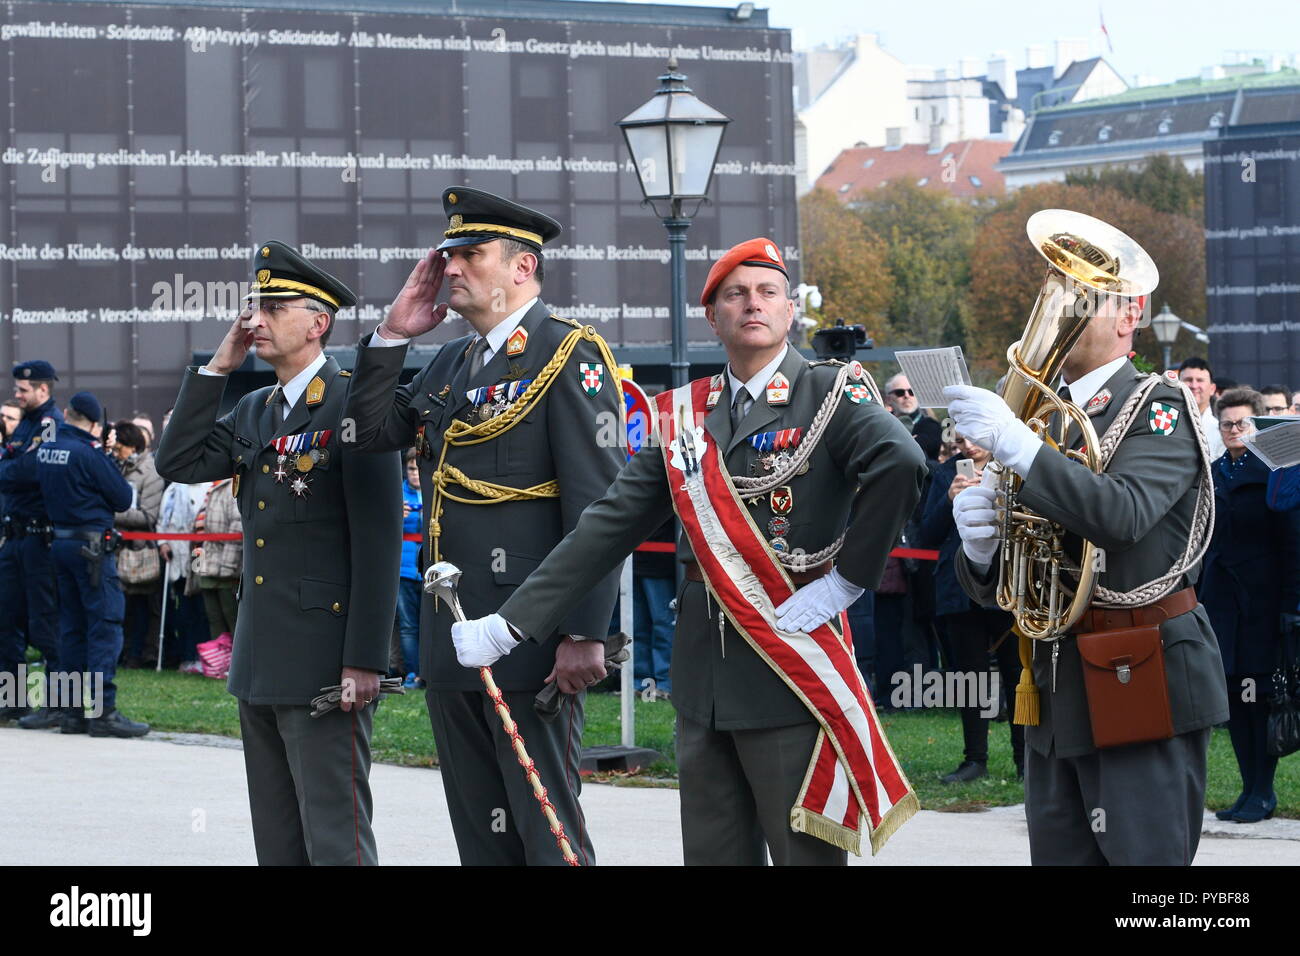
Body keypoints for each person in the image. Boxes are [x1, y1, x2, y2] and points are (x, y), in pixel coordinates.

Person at [452, 237, 928, 865]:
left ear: (790, 312)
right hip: (703, 682)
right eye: (734, 295)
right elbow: (608, 524)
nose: (751, 305)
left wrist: (847, 580)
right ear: (713, 316)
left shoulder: (832, 391)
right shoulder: (683, 413)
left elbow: (902, 460)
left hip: (791, 671)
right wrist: (513, 624)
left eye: (766, 293)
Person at [343, 187, 624, 866]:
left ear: (522, 267)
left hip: (527, 635)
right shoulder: (450, 361)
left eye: (470, 254)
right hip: (453, 638)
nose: (452, 268)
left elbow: (599, 508)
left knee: (545, 827)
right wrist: (391, 336)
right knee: (482, 832)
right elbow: (370, 432)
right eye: (449, 254)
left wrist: (588, 632)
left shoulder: (569, 354)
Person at [947, 290, 1229, 865]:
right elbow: (1018, 579)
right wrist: (981, 548)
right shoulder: (1045, 420)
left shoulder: (1160, 403)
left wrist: (1017, 445)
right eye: (1056, 303)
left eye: (1084, 305)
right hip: (1058, 676)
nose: (1061, 320)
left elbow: (1123, 515)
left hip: (1140, 667)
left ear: (1131, 316)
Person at [156, 241, 402, 866]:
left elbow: (377, 540)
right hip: (261, 653)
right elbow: (179, 462)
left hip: (326, 657)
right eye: (252, 307)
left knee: (334, 835)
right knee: (277, 836)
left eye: (273, 307)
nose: (255, 320)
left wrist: (366, 659)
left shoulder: (354, 402)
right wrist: (218, 365)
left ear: (318, 323)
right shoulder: (255, 407)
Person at [17, 391, 148, 736]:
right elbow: (121, 499)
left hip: (59, 544)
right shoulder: (88, 453)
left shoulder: (46, 450)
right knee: (104, 624)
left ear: (66, 414)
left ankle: (72, 712)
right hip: (91, 549)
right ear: (93, 424)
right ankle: (103, 712)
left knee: (71, 628)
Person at [1198, 388, 1300, 823]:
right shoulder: (1215, 471)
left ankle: (1263, 791)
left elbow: (1293, 543)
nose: (1235, 430)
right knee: (1235, 700)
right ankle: (1245, 788)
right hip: (1222, 602)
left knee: (1260, 698)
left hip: (1264, 602)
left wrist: (1291, 605)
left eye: (1242, 423)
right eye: (1227, 424)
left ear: (1257, 425)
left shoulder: (1278, 472)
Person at [915, 432, 1023, 782]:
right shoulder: (946, 474)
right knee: (969, 679)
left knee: (1017, 678)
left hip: (1005, 584)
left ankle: (1027, 761)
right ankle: (974, 760)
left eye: (974, 438)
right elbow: (926, 535)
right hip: (958, 588)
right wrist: (949, 499)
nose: (968, 446)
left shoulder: (1012, 466)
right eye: (961, 439)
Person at [0, 361, 65, 723]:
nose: (17, 394)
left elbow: (33, 469)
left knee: (45, 623)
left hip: (40, 539)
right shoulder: (25, 423)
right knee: (6, 621)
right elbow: (14, 467)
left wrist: (9, 468)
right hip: (14, 537)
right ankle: (14, 699)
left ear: (43, 390)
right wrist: (11, 467)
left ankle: (58, 704)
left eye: (24, 389)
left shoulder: (50, 424)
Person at [110, 421, 165, 668]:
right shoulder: (117, 467)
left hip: (141, 551)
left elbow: (147, 516)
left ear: (131, 446)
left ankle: (142, 653)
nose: (115, 452)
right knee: (123, 608)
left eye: (119, 447)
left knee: (143, 608)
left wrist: (110, 513)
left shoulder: (150, 472)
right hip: (118, 549)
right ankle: (123, 652)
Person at [156, 472, 210, 674]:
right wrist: (162, 543)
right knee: (184, 609)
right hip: (177, 555)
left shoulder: (208, 486)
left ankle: (203, 657)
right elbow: (162, 520)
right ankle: (187, 656)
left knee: (201, 607)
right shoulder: (173, 488)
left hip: (198, 553)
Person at [397, 449, 423, 688]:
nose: (415, 473)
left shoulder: (436, 491)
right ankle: (412, 674)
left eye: (419, 468)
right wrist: (395, 515)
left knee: (429, 625)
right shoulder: (397, 494)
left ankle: (429, 673)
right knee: (407, 626)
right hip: (404, 569)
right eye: (412, 468)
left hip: (428, 569)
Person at [1179, 357, 1225, 460]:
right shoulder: (1166, 425)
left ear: (1212, 389)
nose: (1194, 386)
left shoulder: (1222, 431)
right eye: (1188, 380)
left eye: (1200, 380)